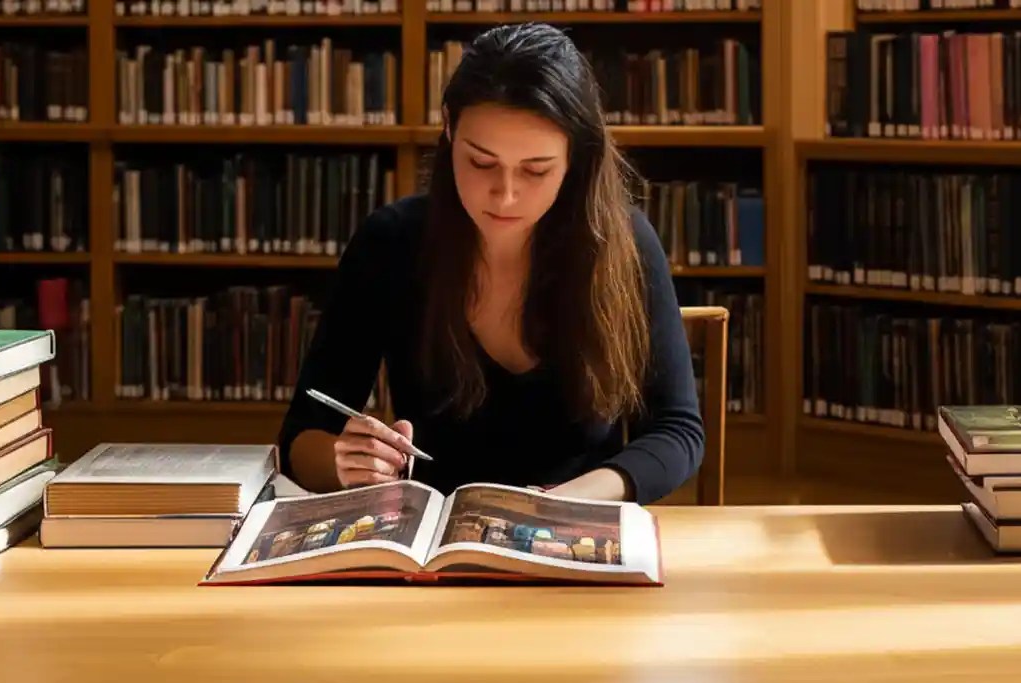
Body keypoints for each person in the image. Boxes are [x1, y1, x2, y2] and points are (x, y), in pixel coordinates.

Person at [276, 22, 705, 505]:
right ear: (448, 129)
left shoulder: (621, 243)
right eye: (481, 163)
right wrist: (344, 461)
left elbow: (677, 431)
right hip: (431, 544)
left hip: (574, 533)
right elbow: (301, 436)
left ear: (575, 159)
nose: (505, 194)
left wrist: (566, 500)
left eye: (536, 170)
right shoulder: (391, 243)